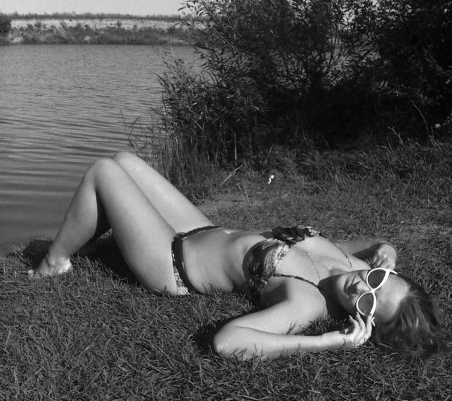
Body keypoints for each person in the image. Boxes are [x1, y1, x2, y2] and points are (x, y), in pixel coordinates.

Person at [29, 151, 440, 360]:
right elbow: (361, 246)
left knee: (104, 171)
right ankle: (90, 241)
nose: (362, 287)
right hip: (198, 228)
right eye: (378, 280)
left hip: (172, 262)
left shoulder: (308, 302)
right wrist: (384, 247)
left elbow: (228, 343)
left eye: (368, 304)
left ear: (364, 322)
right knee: (125, 161)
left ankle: (54, 263)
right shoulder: (355, 267)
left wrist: (327, 342)